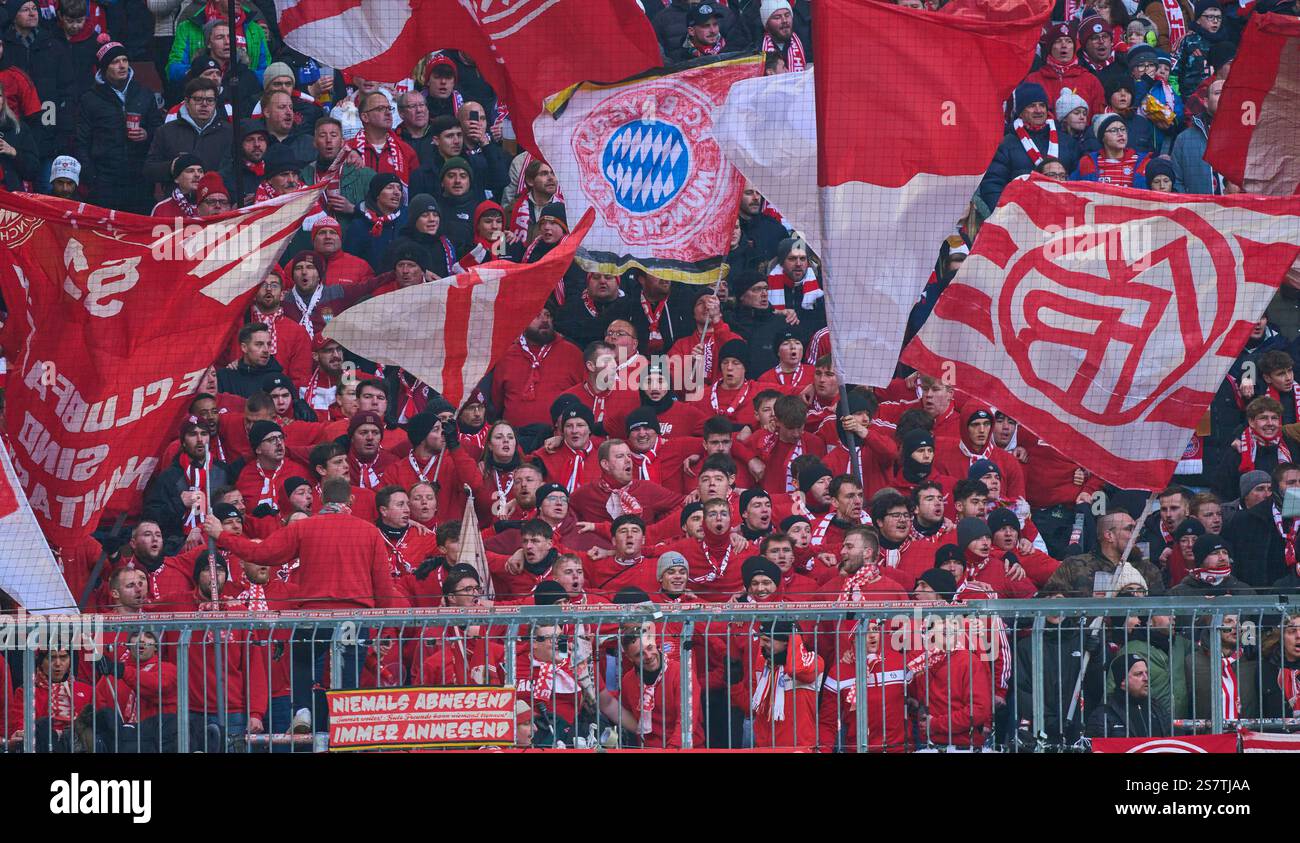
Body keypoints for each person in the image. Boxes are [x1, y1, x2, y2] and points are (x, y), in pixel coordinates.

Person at [76, 40, 161, 213]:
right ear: (104, 68)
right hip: (104, 180)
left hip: (139, 179)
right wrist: (91, 176)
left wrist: (146, 134)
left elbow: (159, 130)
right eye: (115, 62)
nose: (122, 66)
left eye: (124, 60)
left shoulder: (144, 93)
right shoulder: (89, 99)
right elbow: (81, 141)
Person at [979, 82, 1081, 212]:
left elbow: (1079, 180)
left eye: (1042, 105)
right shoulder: (1006, 144)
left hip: (1063, 213)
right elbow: (993, 183)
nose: (1038, 110)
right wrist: (1003, 213)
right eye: (1032, 106)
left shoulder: (1067, 142)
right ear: (1021, 112)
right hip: (1021, 215)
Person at [143, 416, 234, 555]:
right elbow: (152, 518)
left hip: (218, 545)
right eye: (193, 434)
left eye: (204, 434)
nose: (199, 439)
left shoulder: (223, 472)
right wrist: (179, 503)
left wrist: (202, 529)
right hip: (176, 549)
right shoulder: (169, 477)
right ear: (183, 442)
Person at [1045, 511, 1167, 596]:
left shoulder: (1147, 569)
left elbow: (1160, 615)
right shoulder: (1073, 566)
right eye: (1130, 529)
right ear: (1109, 535)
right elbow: (1051, 602)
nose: (1137, 534)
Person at [144, 77, 229, 188]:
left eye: (210, 100)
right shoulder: (166, 131)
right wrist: (173, 166)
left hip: (216, 199)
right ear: (187, 102)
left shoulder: (228, 132)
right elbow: (149, 170)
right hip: (177, 199)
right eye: (198, 99)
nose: (204, 104)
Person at [1026, 21, 1106, 115]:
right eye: (1058, 41)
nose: (1064, 45)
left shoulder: (1090, 80)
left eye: (1069, 41)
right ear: (1050, 47)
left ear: (1074, 47)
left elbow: (1098, 117)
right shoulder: (1033, 80)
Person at [1086, 655, 1171, 738]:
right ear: (1122, 681)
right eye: (1139, 674)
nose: (1146, 678)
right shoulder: (1104, 714)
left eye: (1147, 673)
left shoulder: (1157, 708)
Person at [1171, 78, 1223, 195]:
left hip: (1239, 210)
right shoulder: (1184, 139)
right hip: (1198, 211)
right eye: (1218, 93)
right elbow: (1176, 182)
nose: (1224, 96)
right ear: (1206, 102)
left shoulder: (1246, 136)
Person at [1074, 113, 1150, 187]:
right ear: (1102, 137)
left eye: (1123, 129)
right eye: (1114, 130)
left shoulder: (1143, 162)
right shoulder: (1087, 162)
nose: (1120, 134)